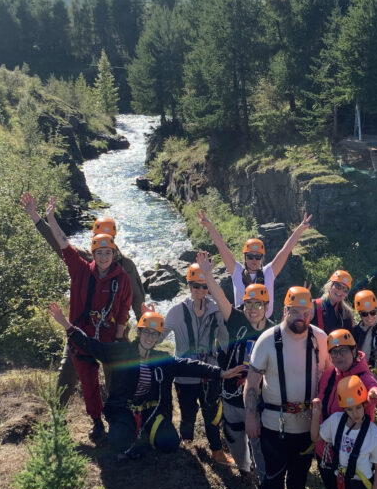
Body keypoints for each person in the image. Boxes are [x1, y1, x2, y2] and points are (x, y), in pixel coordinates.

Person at [47, 303, 243, 458]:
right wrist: (67, 326)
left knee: (170, 444)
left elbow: (189, 366)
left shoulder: (162, 358)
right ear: (139, 333)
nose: (149, 337)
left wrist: (220, 373)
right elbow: (93, 347)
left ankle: (144, 432)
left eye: (154, 334)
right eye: (146, 332)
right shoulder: (121, 352)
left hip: (152, 411)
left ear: (158, 337)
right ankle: (132, 432)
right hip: (123, 409)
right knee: (117, 443)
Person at [245, 286, 330, 489]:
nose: (301, 317)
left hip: (306, 424)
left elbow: (327, 377)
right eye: (295, 311)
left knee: (300, 474)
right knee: (273, 475)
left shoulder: (320, 339)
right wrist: (250, 416)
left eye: (306, 312)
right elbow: (252, 383)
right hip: (274, 423)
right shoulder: (268, 340)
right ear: (285, 311)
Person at [41, 199, 132, 443]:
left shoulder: (121, 277)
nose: (103, 257)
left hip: (108, 336)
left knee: (115, 379)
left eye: (107, 253)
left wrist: (119, 335)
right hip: (81, 335)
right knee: (87, 379)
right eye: (99, 253)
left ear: (113, 253)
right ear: (93, 254)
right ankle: (95, 421)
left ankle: (116, 417)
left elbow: (124, 306)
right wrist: (49, 218)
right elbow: (63, 244)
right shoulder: (80, 269)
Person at [194, 251, 272, 478]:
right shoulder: (237, 319)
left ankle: (262, 476)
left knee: (258, 441)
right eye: (249, 304)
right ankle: (244, 470)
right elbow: (220, 298)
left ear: (267, 306)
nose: (253, 309)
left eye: (258, 304)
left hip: (260, 400)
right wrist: (207, 275)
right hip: (231, 395)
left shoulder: (274, 332)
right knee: (236, 438)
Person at [312, 329, 377, 489]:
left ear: (355, 351)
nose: (338, 357)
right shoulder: (329, 375)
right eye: (334, 353)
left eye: (343, 351)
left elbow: (372, 389)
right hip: (327, 451)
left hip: (352, 457)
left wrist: (374, 394)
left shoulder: (362, 378)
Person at [20, 193, 145, 319]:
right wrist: (35, 217)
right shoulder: (88, 258)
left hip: (114, 329)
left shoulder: (126, 264)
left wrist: (143, 331)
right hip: (87, 325)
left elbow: (138, 300)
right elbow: (59, 243)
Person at [163, 262, 231, 464]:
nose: (200, 290)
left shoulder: (217, 311)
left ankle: (217, 451)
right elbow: (159, 336)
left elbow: (226, 339)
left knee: (211, 412)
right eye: (196, 286)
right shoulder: (176, 311)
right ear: (189, 286)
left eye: (204, 286)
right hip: (184, 373)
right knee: (187, 412)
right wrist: (147, 320)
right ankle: (187, 444)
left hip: (209, 371)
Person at [198, 210, 312, 317]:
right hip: (242, 326)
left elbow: (285, 250)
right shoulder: (237, 271)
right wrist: (210, 226)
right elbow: (222, 248)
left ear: (262, 259)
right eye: (250, 256)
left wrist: (300, 229)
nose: (254, 260)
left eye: (257, 257)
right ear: (245, 257)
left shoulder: (268, 273)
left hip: (264, 326)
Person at [313, 269, 355, 336]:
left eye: (345, 290)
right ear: (330, 285)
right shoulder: (314, 306)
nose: (341, 292)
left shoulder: (347, 314)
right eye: (338, 286)